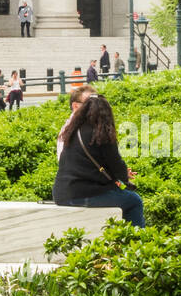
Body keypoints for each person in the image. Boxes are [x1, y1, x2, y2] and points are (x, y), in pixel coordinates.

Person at [52, 87, 145, 227]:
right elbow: (115, 162)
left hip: (62, 194)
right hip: (83, 195)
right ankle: (137, 243)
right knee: (134, 200)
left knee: (119, 195)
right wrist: (124, 176)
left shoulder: (72, 131)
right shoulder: (101, 133)